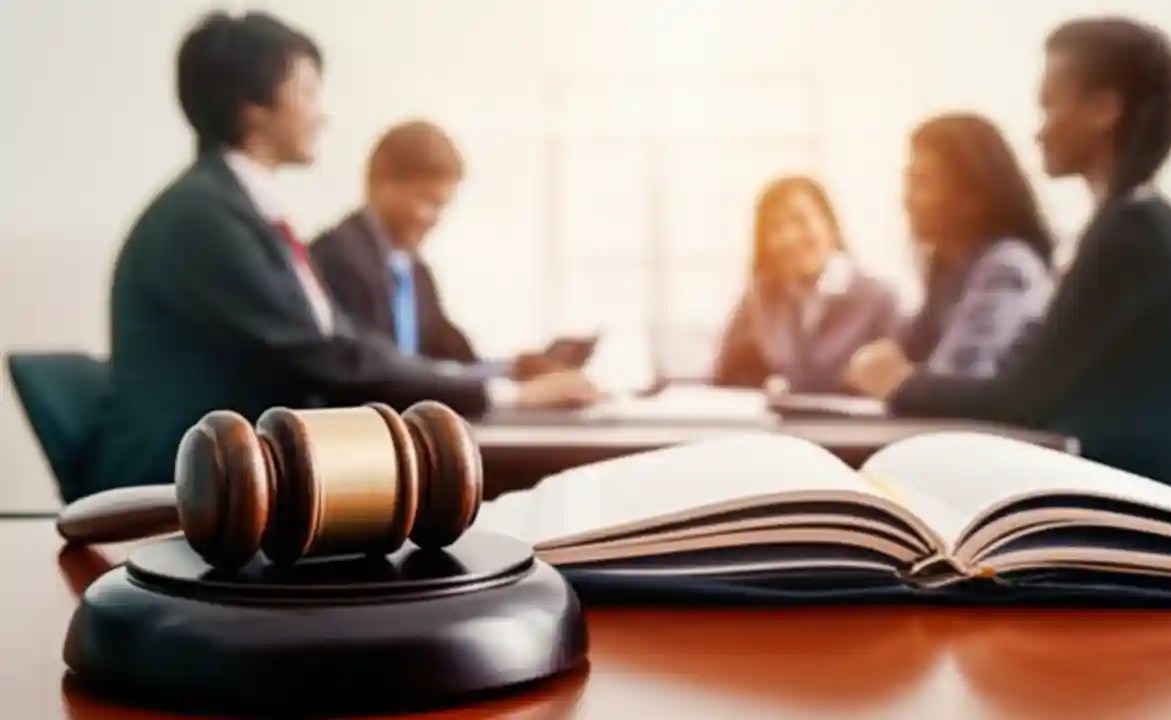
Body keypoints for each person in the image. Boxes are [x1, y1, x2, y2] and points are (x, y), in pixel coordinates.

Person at [89, 12, 597, 497]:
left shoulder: (239, 210)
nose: (322, 113)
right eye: (307, 92)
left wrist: (491, 381)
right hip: (191, 482)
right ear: (252, 105)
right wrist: (498, 393)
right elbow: (324, 354)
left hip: (239, 471)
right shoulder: (203, 220)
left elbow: (344, 342)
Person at [850, 18, 1171, 515]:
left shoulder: (1135, 232)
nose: (1040, 129)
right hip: (1155, 500)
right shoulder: (1123, 225)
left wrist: (903, 384)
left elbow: (1027, 396)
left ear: (1103, 110)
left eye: (1050, 104)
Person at [311, 121, 571, 381]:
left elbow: (451, 362)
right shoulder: (335, 257)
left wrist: (518, 370)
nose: (433, 218)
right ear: (382, 184)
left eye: (442, 206)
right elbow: (371, 369)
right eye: (428, 201)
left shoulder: (415, 271)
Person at [849, 114, 1055, 384]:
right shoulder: (948, 273)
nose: (906, 198)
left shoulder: (1007, 268)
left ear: (974, 197)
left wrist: (887, 375)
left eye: (922, 182)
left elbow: (951, 382)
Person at [712, 176, 898, 393]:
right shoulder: (760, 299)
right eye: (775, 227)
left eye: (800, 220)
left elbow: (894, 385)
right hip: (777, 422)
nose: (788, 237)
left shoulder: (879, 300)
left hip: (852, 424)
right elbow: (724, 377)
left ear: (829, 223)